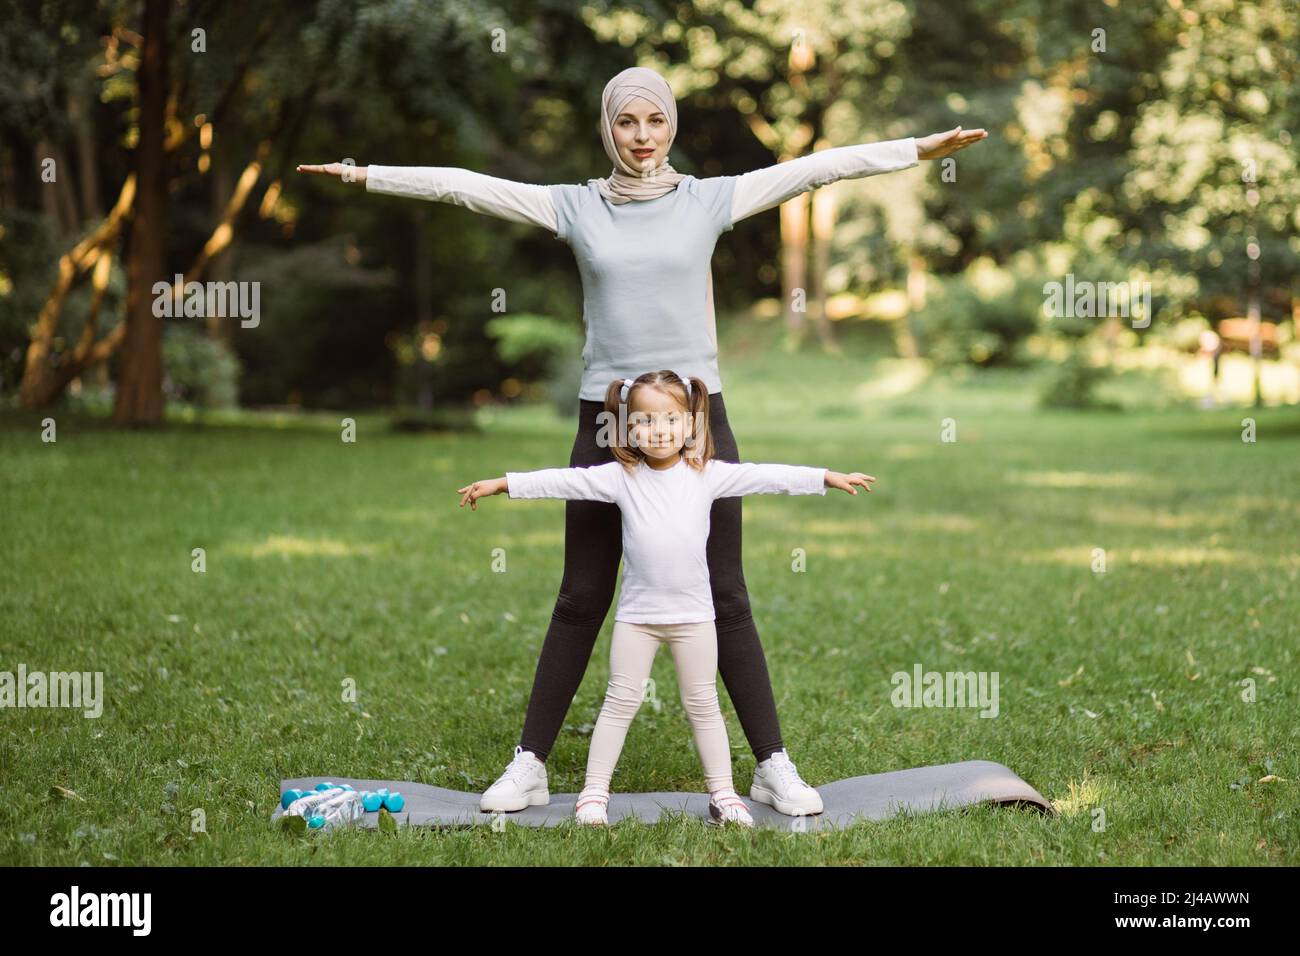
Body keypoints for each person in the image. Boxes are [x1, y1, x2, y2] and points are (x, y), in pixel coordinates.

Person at [297, 65, 985, 816]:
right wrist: (365, 175)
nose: (643, 137)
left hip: (697, 420)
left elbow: (817, 169)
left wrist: (915, 148)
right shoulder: (575, 207)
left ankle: (771, 765)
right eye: (627, 123)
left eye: (655, 121)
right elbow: (466, 184)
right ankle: (530, 765)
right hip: (606, 420)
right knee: (580, 595)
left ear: (672, 126)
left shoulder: (709, 199)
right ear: (608, 128)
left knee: (726, 594)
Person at [457, 370, 876, 826]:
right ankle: (594, 794)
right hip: (637, 620)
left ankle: (724, 794)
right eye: (646, 421)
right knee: (619, 703)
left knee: (703, 704)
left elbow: (766, 477)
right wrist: (502, 484)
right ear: (627, 429)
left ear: (691, 424)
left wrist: (825, 477)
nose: (659, 430)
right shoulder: (619, 478)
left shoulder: (707, 476)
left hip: (695, 620)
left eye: (670, 419)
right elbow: (562, 482)